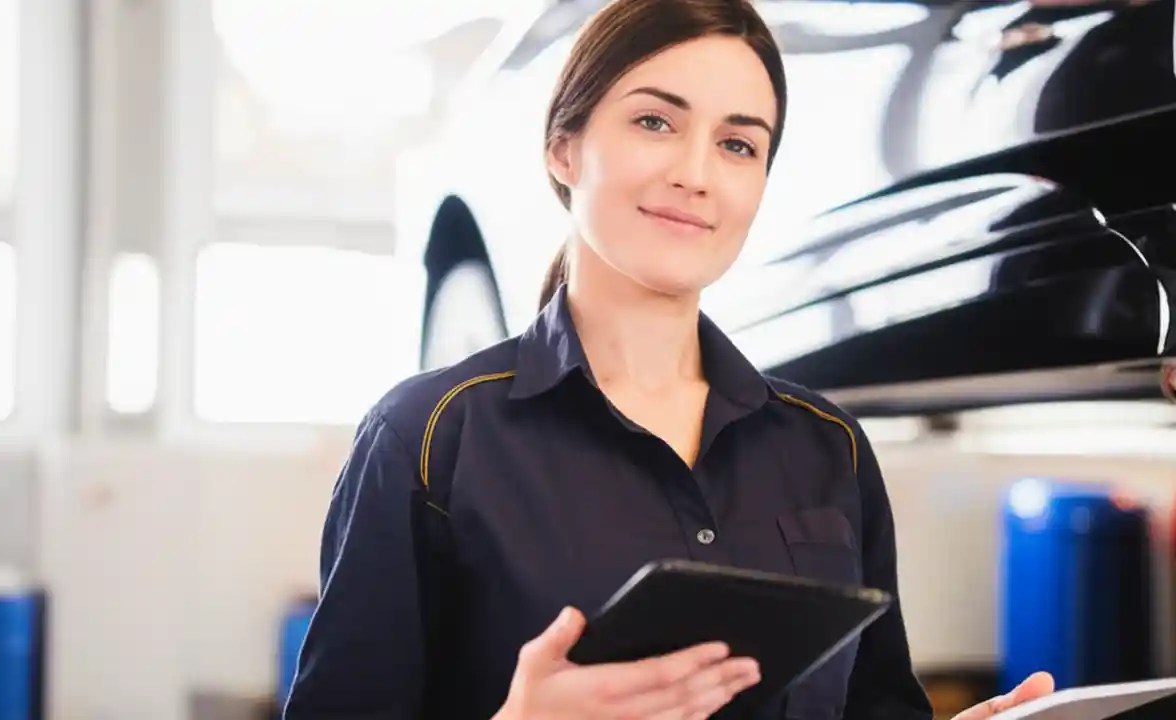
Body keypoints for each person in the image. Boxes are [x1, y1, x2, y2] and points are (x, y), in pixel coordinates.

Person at [284, 0, 1056, 717]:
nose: (695, 173)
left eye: (737, 144)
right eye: (655, 122)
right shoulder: (430, 434)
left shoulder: (829, 446)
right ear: (563, 149)